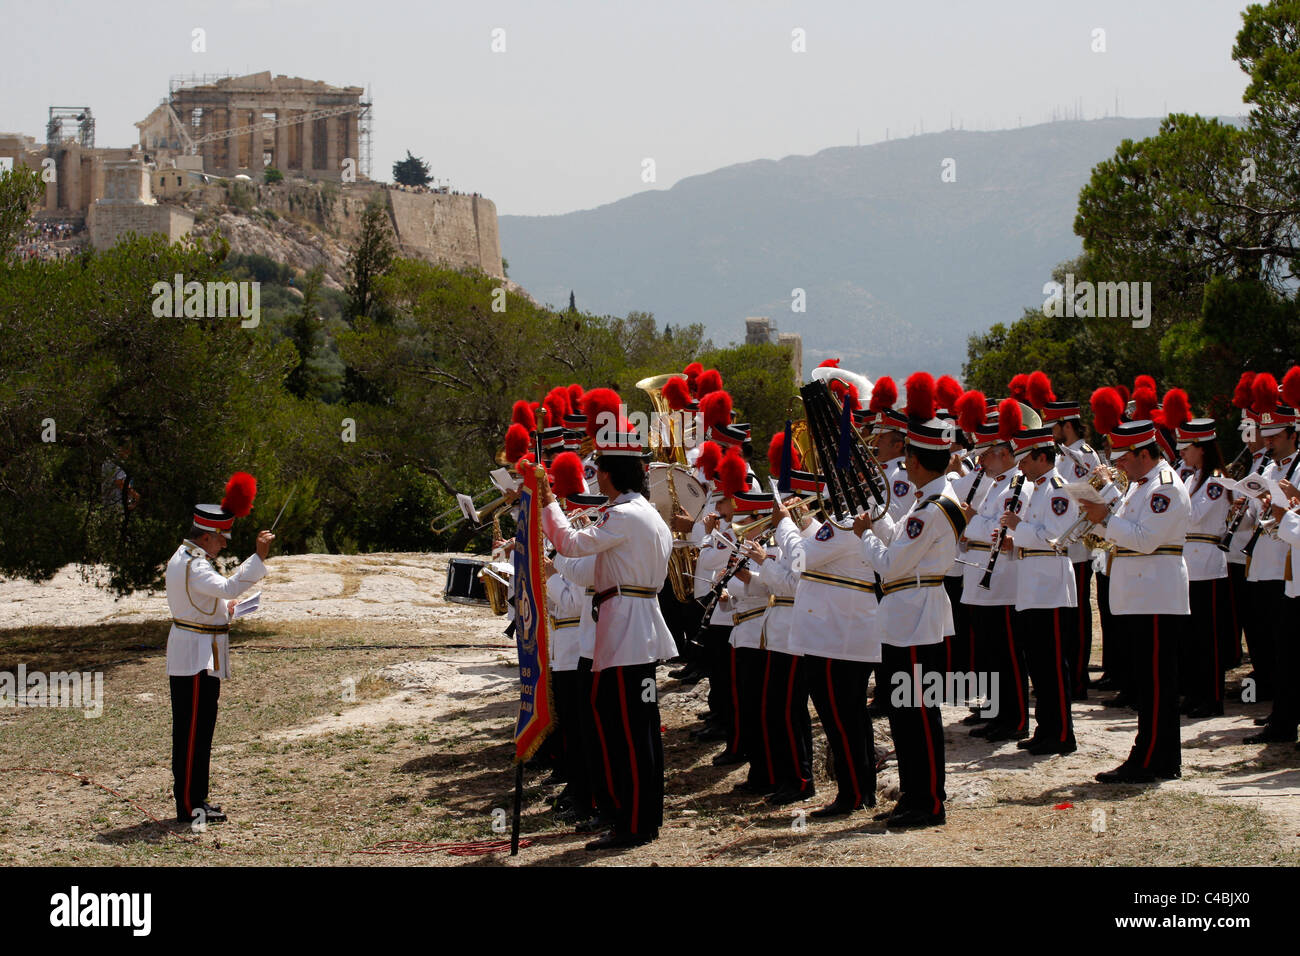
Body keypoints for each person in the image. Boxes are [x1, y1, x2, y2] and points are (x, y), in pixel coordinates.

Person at [538, 415, 675, 850]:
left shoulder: (624, 515)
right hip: (635, 627)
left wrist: (546, 503)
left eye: (598, 470)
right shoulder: (644, 514)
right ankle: (636, 816)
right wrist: (554, 564)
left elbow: (572, 544)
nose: (595, 478)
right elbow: (585, 567)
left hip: (624, 632)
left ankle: (632, 821)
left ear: (611, 473)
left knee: (624, 732)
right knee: (638, 730)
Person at [854, 411, 965, 828]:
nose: (905, 467)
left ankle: (929, 802)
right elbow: (898, 538)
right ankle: (915, 794)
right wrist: (873, 516)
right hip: (912, 612)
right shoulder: (929, 502)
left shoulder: (930, 508)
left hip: (915, 613)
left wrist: (861, 534)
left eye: (907, 461)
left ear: (916, 462)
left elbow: (890, 564)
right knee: (905, 712)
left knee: (917, 713)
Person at [1081, 420, 1190, 783]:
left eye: (1125, 459)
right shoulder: (1141, 486)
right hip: (1141, 596)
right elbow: (1122, 533)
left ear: (1145, 453)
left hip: (1156, 596)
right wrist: (1097, 520)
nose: (1120, 466)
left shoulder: (1166, 488)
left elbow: (1145, 540)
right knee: (1148, 682)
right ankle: (1154, 755)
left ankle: (1153, 758)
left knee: (1157, 683)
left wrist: (1105, 518)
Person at [164, 473, 272, 825]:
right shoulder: (194, 564)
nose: (224, 545)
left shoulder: (189, 557)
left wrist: (223, 610)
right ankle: (189, 804)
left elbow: (206, 601)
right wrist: (258, 557)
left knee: (201, 726)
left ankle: (197, 798)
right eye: (221, 539)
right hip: (195, 652)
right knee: (193, 730)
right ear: (207, 536)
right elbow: (226, 587)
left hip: (200, 648)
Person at [1000, 427, 1078, 755]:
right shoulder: (1038, 489)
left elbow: (1055, 536)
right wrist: (1013, 541)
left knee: (1052, 664)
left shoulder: (1058, 489)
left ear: (1042, 457)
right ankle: (1046, 727)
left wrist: (1019, 528)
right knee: (1038, 663)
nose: (1021, 467)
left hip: (1050, 583)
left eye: (1026, 460)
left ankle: (1061, 734)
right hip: (1034, 581)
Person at [1175, 419, 1231, 718]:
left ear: (1201, 448)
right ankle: (1195, 692)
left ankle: (1212, 697)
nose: (1182, 454)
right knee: (1191, 637)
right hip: (1190, 563)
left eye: (1187, 448)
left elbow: (1193, 516)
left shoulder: (1216, 480)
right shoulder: (1192, 477)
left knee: (1207, 638)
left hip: (1208, 563)